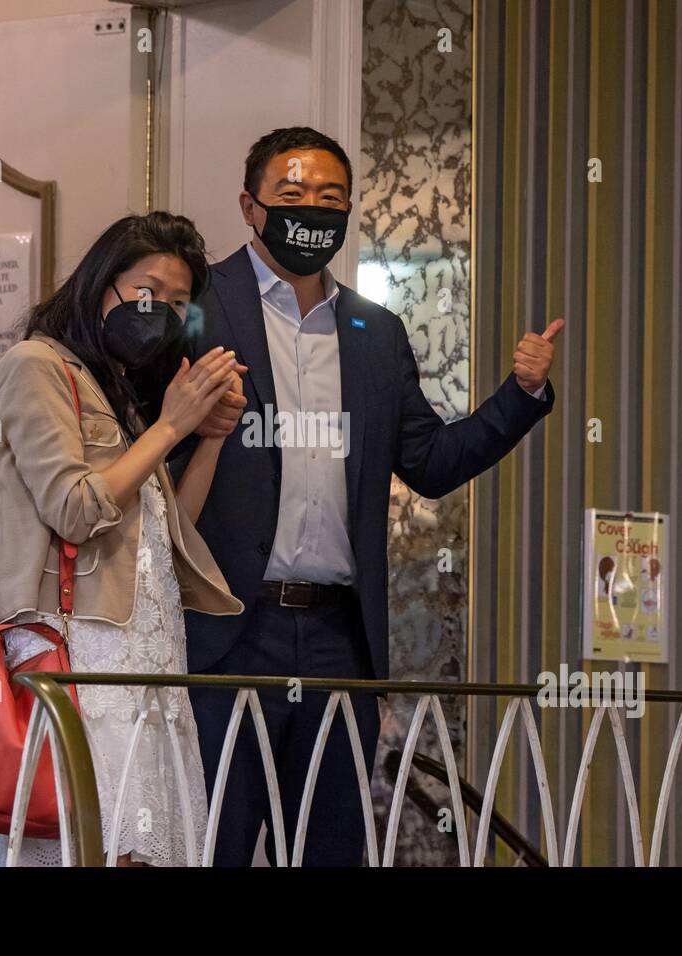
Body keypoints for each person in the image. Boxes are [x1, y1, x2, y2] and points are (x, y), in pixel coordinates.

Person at [172, 126, 562, 866]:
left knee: (331, 848)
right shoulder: (197, 308)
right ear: (250, 207)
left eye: (330, 197)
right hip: (225, 629)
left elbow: (432, 462)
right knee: (209, 843)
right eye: (292, 195)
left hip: (338, 641)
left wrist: (522, 394)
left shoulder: (375, 331)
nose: (311, 209)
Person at [0, 211, 245, 867]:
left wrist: (205, 437)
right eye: (149, 291)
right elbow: (72, 510)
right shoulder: (34, 366)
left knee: (150, 852)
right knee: (96, 847)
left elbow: (165, 530)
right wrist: (170, 425)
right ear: (102, 282)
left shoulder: (115, 387)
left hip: (146, 656)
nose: (163, 313)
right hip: (81, 656)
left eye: (179, 303)